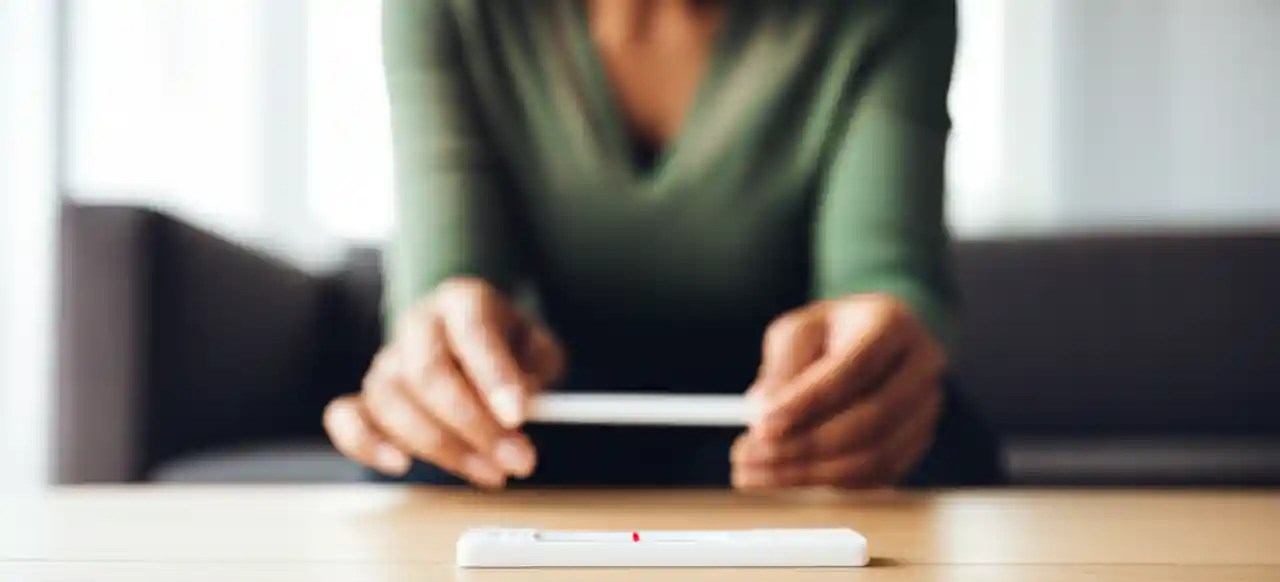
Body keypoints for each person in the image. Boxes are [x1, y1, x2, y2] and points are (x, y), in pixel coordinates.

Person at [323, 0, 1003, 490]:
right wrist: (438, 348)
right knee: (431, 456)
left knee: (919, 445)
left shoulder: (890, 12)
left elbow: (884, 273)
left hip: (790, 422)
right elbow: (448, 279)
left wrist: (885, 343)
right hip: (551, 416)